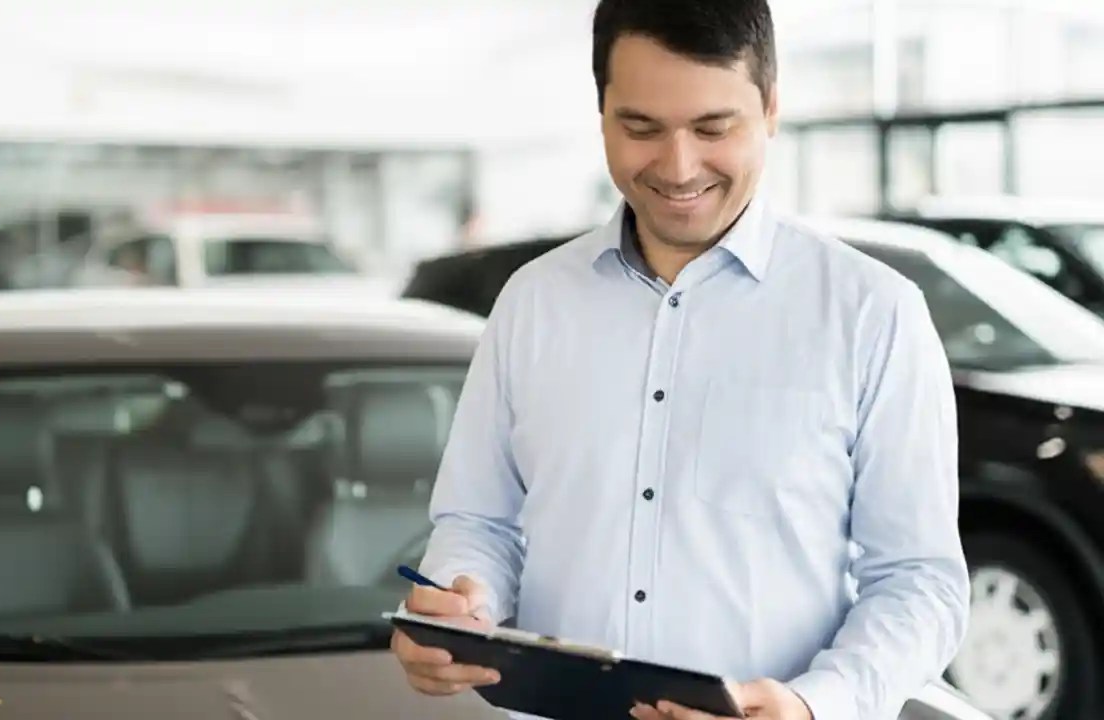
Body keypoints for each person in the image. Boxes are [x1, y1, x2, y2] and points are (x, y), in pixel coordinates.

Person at [389, 0, 971, 718]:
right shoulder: (532, 303)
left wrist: (815, 703)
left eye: (712, 127)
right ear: (601, 112)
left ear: (771, 109)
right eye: (641, 128)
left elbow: (921, 582)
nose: (678, 165)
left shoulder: (873, 313)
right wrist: (459, 599)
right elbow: (481, 522)